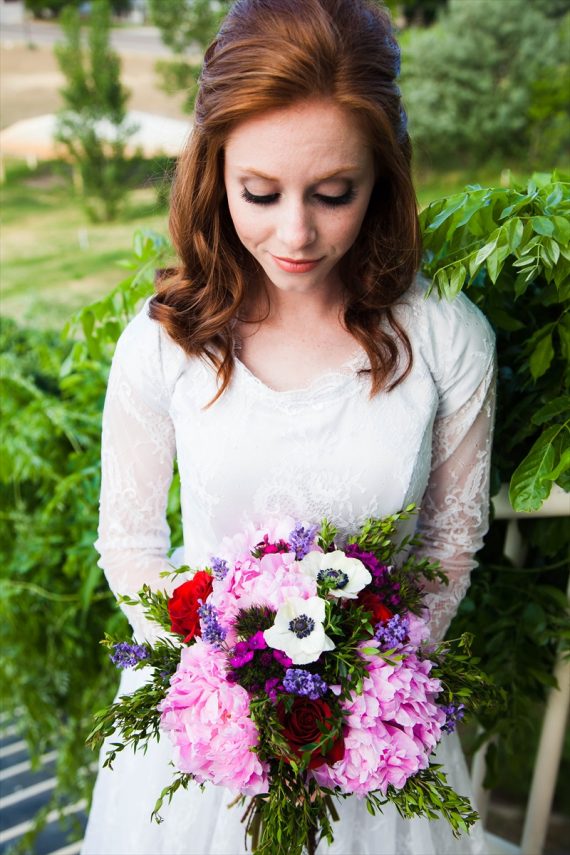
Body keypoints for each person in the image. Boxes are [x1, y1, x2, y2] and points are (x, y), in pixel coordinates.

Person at [81, 0, 496, 852]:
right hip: (204, 744)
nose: (297, 233)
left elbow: (449, 546)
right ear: (214, 169)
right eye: (260, 193)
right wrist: (229, 690)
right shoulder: (161, 344)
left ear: (384, 174)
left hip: (379, 742)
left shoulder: (448, 337)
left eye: (335, 193)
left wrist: (361, 684)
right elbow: (129, 543)